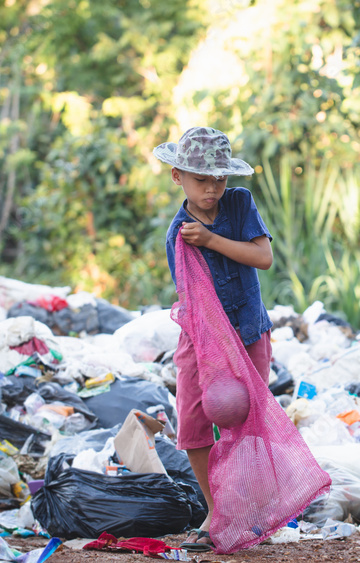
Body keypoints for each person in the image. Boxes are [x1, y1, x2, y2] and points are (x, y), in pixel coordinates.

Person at [152, 126, 274, 552]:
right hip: (202, 338)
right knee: (195, 419)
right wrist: (216, 355)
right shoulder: (177, 234)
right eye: (201, 180)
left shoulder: (239, 205)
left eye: (219, 179)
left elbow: (263, 257)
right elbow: (194, 300)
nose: (212, 188)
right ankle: (217, 509)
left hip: (248, 332)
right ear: (177, 177)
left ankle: (248, 511)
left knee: (246, 421)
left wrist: (213, 240)